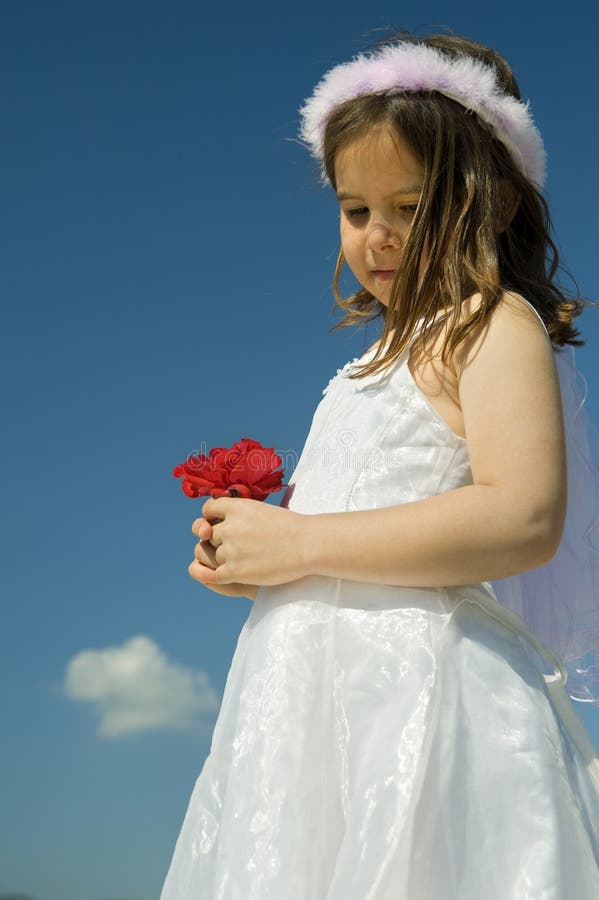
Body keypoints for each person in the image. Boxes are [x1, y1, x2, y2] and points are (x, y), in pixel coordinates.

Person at [160, 29, 599, 898]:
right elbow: (362, 538)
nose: (380, 236)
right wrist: (260, 561)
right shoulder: (364, 368)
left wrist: (301, 543)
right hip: (301, 719)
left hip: (422, 708)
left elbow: (521, 517)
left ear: (497, 203)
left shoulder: (490, 324)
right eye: (357, 210)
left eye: (412, 205)